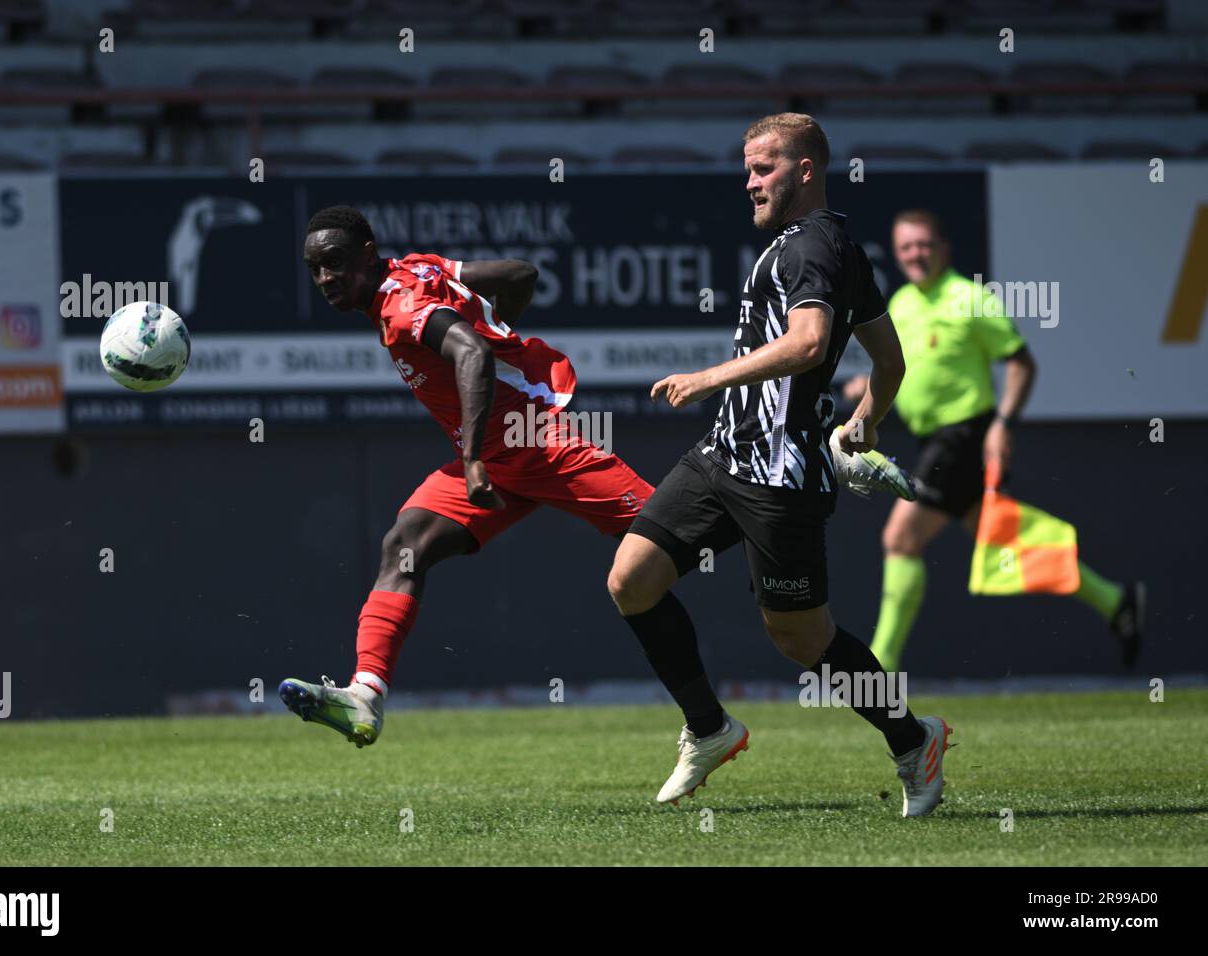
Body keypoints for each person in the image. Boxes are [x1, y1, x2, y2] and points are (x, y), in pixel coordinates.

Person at [606, 114, 952, 818]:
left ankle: (914, 739)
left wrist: (709, 378)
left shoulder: (812, 248)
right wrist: (866, 422)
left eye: (764, 167)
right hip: (722, 455)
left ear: (804, 171)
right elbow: (889, 362)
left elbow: (808, 343)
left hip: (781, 478)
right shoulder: (834, 245)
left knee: (801, 639)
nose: (750, 180)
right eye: (747, 167)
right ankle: (709, 730)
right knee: (631, 580)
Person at [279, 205, 657, 747]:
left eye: (335, 263)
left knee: (674, 529)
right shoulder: (420, 267)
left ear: (367, 254)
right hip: (494, 458)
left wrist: (475, 455)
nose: (325, 279)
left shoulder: (404, 303)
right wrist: (503, 326)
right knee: (405, 544)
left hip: (533, 444)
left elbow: (473, 354)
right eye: (315, 268)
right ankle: (365, 693)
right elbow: (520, 274)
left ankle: (792, 494)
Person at [846, 209, 1144, 673]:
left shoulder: (970, 298)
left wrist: (1003, 424)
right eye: (906, 247)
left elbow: (1022, 364)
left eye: (924, 244)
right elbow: (901, 369)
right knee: (1007, 540)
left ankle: (880, 667)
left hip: (965, 436)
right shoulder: (901, 303)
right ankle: (1115, 601)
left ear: (944, 247)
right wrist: (857, 390)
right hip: (934, 440)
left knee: (900, 538)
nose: (915, 254)